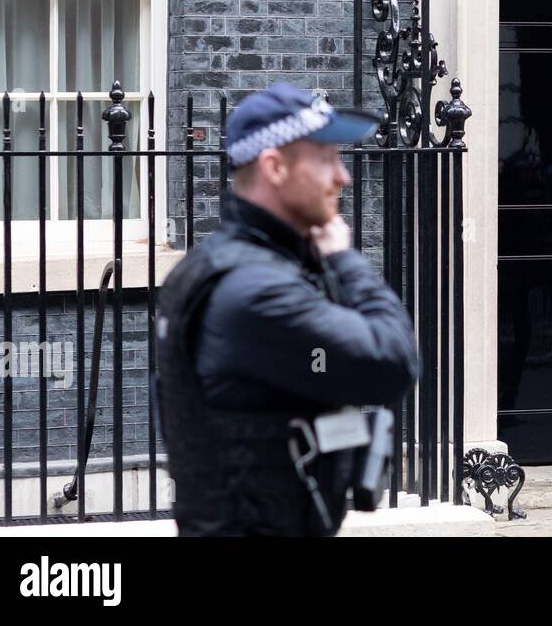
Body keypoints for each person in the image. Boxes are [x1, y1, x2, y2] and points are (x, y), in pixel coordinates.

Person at [155, 83, 420, 536]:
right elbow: (393, 360)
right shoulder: (254, 290)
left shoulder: (229, 264)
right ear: (274, 166)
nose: (343, 177)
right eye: (327, 159)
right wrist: (344, 261)